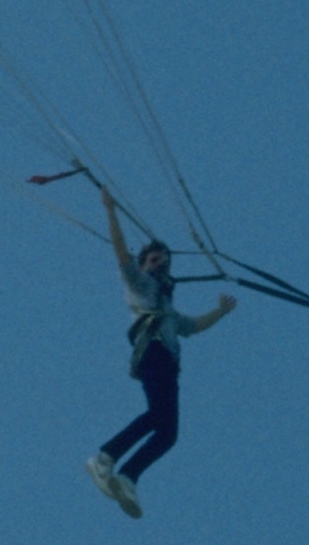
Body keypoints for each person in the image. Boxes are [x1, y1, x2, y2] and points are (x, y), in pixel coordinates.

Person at [85, 186, 234, 517]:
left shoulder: (167, 307)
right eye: (154, 258)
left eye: (163, 259)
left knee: (168, 433)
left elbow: (192, 326)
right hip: (152, 353)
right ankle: (104, 458)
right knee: (157, 416)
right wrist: (110, 209)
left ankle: (128, 477)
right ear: (144, 264)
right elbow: (122, 254)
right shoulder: (141, 285)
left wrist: (220, 312)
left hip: (167, 359)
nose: (161, 262)